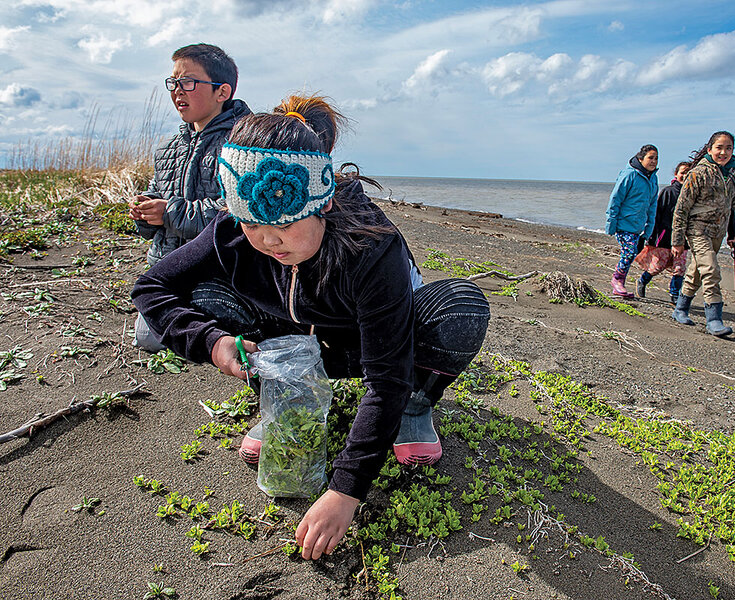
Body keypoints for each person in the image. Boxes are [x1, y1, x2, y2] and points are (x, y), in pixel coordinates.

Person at [131, 95, 490, 560]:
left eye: (284, 223)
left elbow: (386, 377)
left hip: (366, 345)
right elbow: (152, 287)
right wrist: (213, 342)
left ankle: (415, 408)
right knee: (192, 305)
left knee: (459, 308)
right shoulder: (232, 232)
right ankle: (286, 400)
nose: (268, 240)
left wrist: (345, 491)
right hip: (293, 348)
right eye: (251, 223)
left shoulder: (370, 248)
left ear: (320, 203)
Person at [131, 43, 252, 351]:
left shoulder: (244, 141)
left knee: (157, 334)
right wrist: (146, 214)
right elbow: (158, 199)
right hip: (171, 270)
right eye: (173, 83)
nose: (177, 91)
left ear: (222, 92)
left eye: (188, 82)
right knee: (147, 335)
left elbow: (240, 212)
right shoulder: (168, 147)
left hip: (222, 271)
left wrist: (170, 212)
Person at [670, 131, 735, 337]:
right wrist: (677, 240)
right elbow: (681, 208)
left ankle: (680, 309)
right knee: (710, 269)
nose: (723, 152)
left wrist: (734, 232)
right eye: (719, 147)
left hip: (718, 231)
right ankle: (714, 319)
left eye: (728, 148)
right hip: (698, 228)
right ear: (709, 149)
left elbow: (733, 206)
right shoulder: (697, 173)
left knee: (696, 272)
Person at [634, 161, 693, 304]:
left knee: (680, 268)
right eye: (682, 172)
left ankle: (674, 294)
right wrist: (652, 235)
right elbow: (657, 214)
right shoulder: (668, 191)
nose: (685, 176)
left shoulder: (692, 194)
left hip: (683, 238)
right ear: (676, 174)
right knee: (657, 266)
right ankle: (642, 281)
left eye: (688, 173)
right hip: (665, 236)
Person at [605, 144, 659, 298]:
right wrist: (611, 224)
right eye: (650, 158)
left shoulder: (653, 178)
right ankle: (617, 280)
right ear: (641, 158)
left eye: (656, 158)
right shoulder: (629, 175)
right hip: (623, 223)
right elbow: (615, 199)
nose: (653, 161)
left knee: (632, 253)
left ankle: (619, 281)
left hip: (638, 226)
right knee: (628, 253)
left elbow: (652, 205)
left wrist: (649, 229)